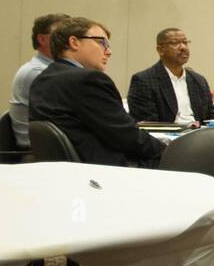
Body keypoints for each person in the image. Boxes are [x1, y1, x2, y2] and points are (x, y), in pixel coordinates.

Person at [29, 17, 165, 168]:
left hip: (67, 172)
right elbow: (126, 135)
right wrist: (167, 150)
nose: (109, 51)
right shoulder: (87, 80)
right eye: (102, 42)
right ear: (74, 42)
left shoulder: (43, 79)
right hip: (106, 171)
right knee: (187, 158)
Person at [127, 28, 214, 126]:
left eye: (185, 42)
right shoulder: (144, 80)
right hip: (165, 139)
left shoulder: (199, 81)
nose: (183, 47)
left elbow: (209, 120)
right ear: (160, 50)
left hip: (199, 137)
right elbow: (148, 125)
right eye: (175, 43)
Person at [9, 13, 69, 147]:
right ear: (42, 39)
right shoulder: (38, 72)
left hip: (52, 149)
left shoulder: (56, 70)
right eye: (60, 35)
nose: (69, 41)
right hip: (36, 153)